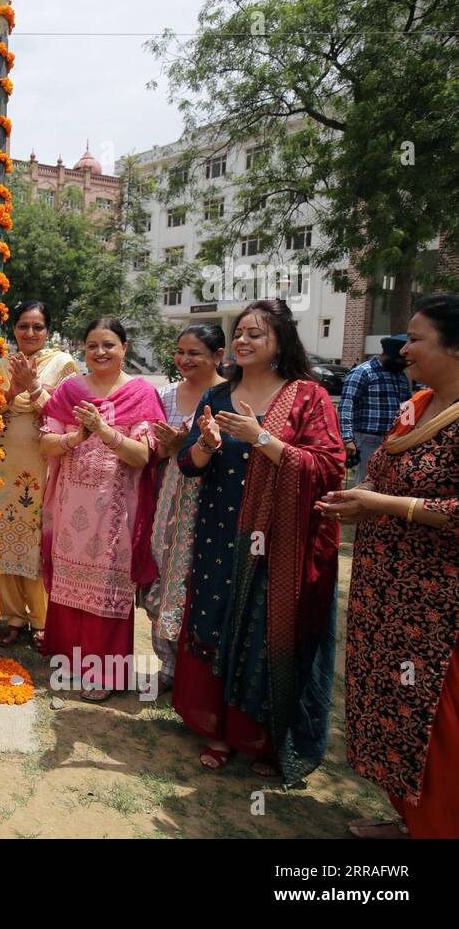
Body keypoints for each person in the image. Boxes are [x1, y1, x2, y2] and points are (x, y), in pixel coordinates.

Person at [173, 299, 344, 783]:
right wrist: (206, 444)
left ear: (280, 342)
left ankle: (266, 737)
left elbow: (329, 467)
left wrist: (261, 438)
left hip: (281, 542)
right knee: (218, 618)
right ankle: (221, 731)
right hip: (220, 533)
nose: (244, 341)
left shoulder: (308, 396)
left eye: (256, 334)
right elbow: (188, 465)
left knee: (268, 631)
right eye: (240, 333)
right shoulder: (217, 396)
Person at [322, 294, 459, 838]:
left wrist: (384, 505)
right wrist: (363, 498)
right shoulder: (418, 405)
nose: (405, 349)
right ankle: (409, 819)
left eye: (418, 338)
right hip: (386, 591)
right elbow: (388, 475)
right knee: (396, 705)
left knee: (436, 715)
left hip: (438, 604)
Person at [38, 318, 164, 701]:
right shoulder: (70, 390)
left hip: (115, 508)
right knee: (70, 581)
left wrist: (105, 432)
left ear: (124, 348)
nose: (100, 352)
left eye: (108, 344)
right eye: (92, 345)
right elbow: (46, 445)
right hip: (70, 501)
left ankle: (104, 673)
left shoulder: (140, 393)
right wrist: (76, 436)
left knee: (109, 583)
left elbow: (143, 455)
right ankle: (70, 662)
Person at [139, 325, 227, 689]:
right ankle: (168, 665)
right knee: (159, 575)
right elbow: (148, 448)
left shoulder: (226, 397)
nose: (185, 360)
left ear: (218, 356)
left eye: (195, 353)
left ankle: (196, 671)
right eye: (180, 352)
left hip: (209, 502)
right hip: (164, 498)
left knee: (195, 581)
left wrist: (190, 446)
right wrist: (171, 447)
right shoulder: (165, 395)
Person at [0, 301, 80, 649]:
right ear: (14, 328)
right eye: (23, 326)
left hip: (43, 465)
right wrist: (10, 392)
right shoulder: (1, 362)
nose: (30, 333)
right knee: (4, 531)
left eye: (37, 327)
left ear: (48, 330)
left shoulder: (62, 364)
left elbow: (67, 413)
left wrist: (32, 387)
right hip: (4, 465)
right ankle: (13, 616)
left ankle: (42, 619)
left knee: (38, 539)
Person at [339, 334, 412, 484]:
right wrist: (347, 439)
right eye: (401, 360)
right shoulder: (363, 372)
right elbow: (347, 405)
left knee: (388, 481)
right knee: (367, 480)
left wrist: (409, 432)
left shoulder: (400, 376)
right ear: (389, 355)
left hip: (394, 439)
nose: (404, 364)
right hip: (368, 439)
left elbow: (407, 405)